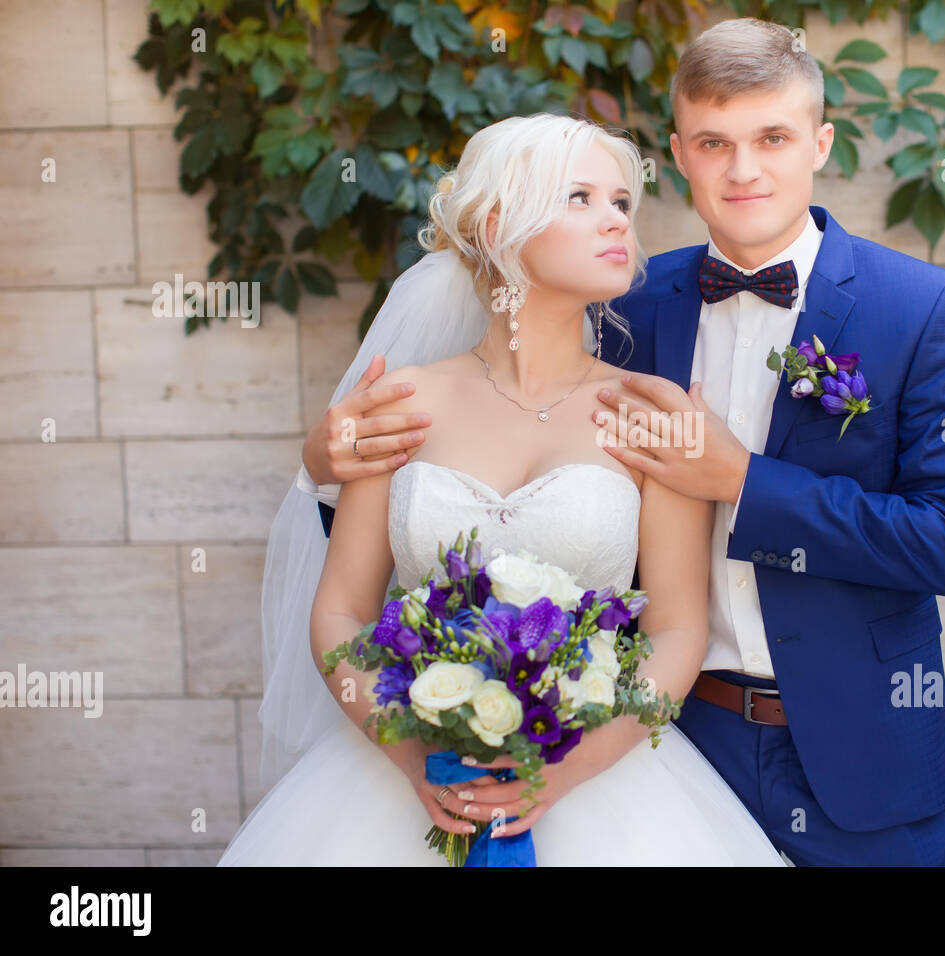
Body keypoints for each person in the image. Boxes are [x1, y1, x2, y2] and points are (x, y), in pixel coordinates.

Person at [298, 17, 945, 866]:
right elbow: (401, 542)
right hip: (672, 747)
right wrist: (319, 470)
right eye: (713, 142)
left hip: (861, 754)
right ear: (680, 151)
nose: (743, 169)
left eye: (772, 137)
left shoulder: (920, 309)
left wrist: (739, 476)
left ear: (820, 142)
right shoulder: (624, 302)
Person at [219, 112, 786, 865]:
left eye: (621, 201)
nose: (617, 220)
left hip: (606, 788)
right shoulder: (403, 403)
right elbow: (342, 610)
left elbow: (678, 631)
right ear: (495, 226)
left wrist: (561, 773)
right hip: (397, 787)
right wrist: (411, 752)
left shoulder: (647, 409)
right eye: (579, 198)